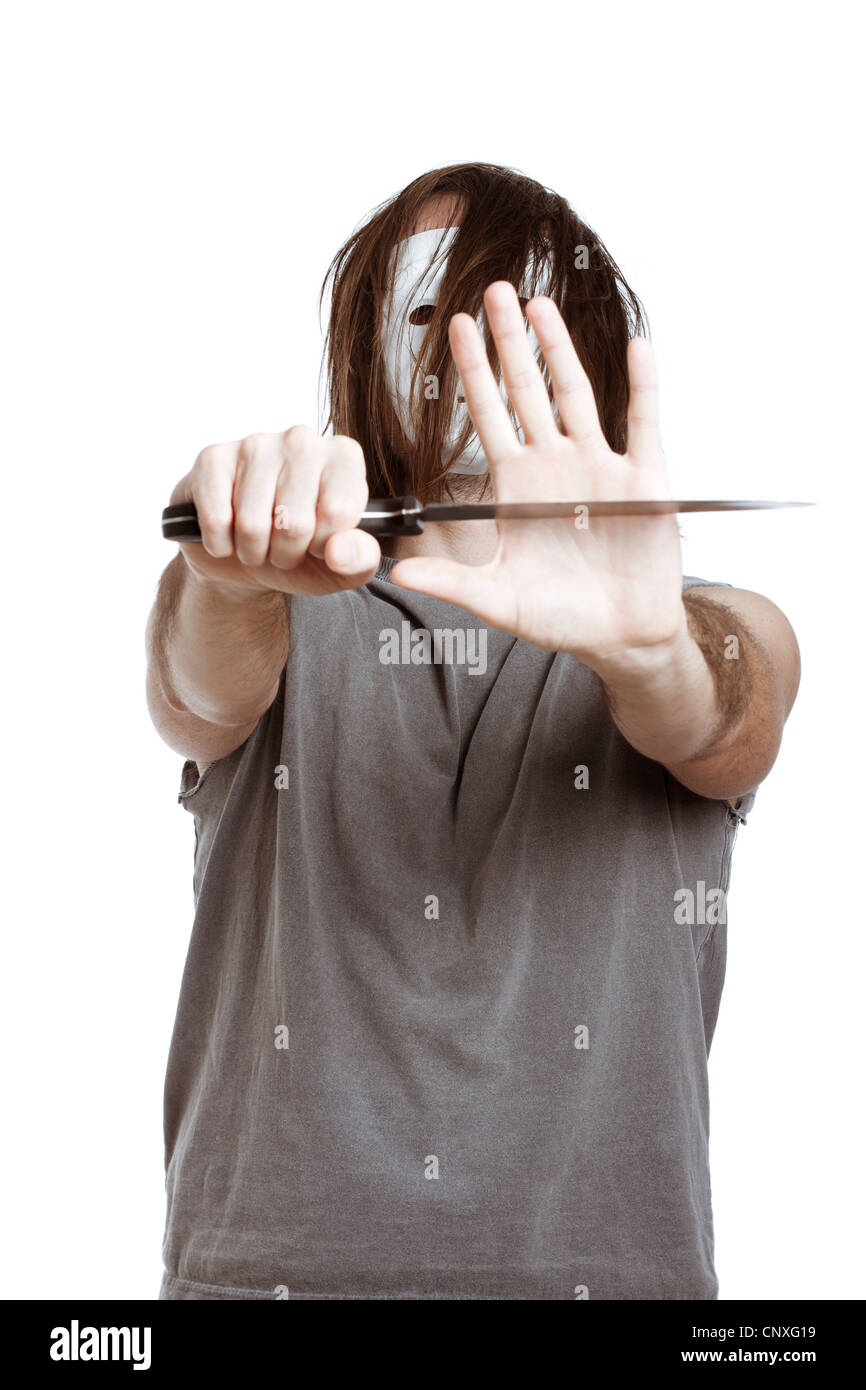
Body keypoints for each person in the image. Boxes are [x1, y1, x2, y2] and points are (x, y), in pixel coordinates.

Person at [146, 162, 800, 1300]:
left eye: (502, 306)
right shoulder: (267, 611)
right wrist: (223, 568)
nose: (457, 347)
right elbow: (192, 681)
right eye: (420, 311)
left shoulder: (698, 621)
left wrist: (655, 655)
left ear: (581, 347)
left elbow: (728, 711)